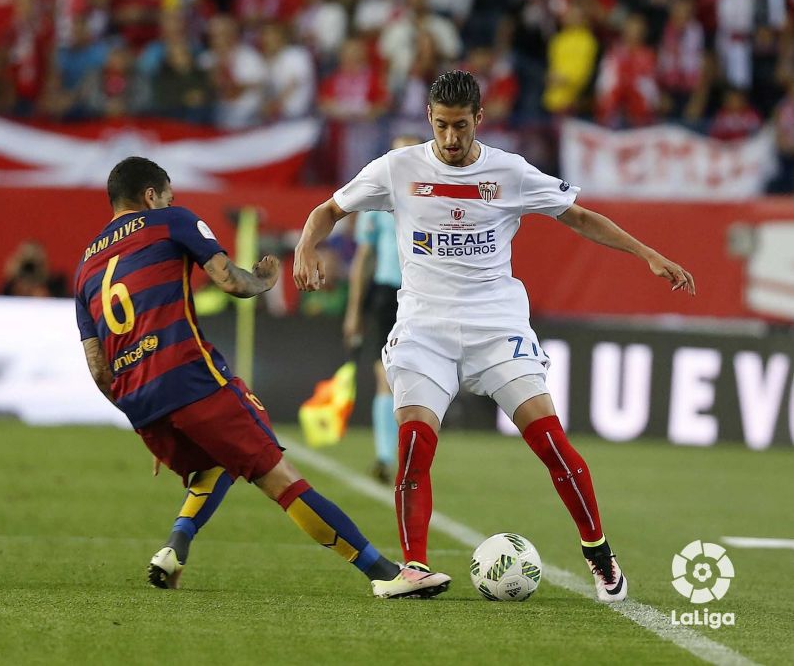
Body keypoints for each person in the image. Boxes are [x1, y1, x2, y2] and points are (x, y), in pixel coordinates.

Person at [294, 71, 696, 603]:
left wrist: (647, 254)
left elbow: (578, 217)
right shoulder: (398, 168)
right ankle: (414, 567)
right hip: (424, 328)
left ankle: (599, 552)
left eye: (461, 126)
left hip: (496, 327)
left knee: (550, 441)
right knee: (413, 443)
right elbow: (329, 210)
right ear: (429, 119)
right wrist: (305, 248)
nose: (451, 138)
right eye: (441, 125)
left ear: (479, 119)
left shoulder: (510, 171)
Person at [74, 156, 450, 599]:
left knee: (217, 460)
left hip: (139, 400)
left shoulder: (85, 267)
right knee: (280, 477)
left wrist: (146, 410)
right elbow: (230, 281)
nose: (172, 203)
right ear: (151, 195)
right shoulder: (171, 221)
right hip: (189, 379)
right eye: (168, 197)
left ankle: (175, 547)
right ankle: (386, 573)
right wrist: (265, 280)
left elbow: (99, 369)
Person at [343, 135, 420, 484]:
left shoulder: (432, 198)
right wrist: (354, 311)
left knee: (414, 380)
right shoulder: (376, 201)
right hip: (387, 294)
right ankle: (386, 457)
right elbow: (364, 257)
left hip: (422, 295)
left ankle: (405, 454)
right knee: (384, 375)